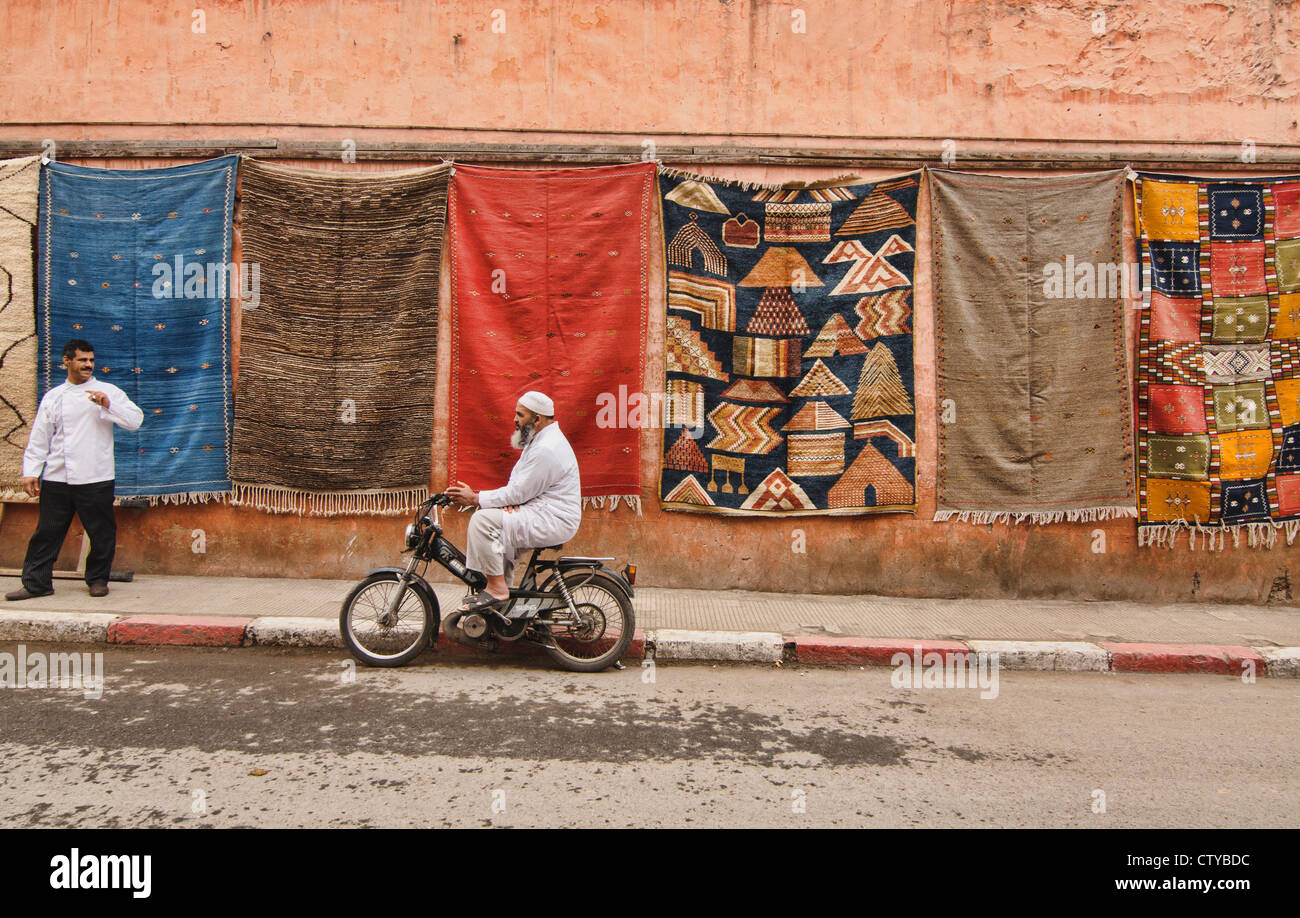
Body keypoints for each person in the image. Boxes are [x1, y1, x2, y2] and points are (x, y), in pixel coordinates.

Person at [5, 339, 143, 600]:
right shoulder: (54, 397)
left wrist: (107, 404)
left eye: (91, 360)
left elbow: (135, 421)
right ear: (66, 361)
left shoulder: (107, 391)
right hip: (57, 477)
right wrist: (31, 471)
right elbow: (40, 437)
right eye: (82, 360)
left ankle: (98, 580)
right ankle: (37, 583)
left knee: (101, 532)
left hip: (95, 475)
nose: (88, 365)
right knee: (47, 532)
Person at [446, 390, 581, 611]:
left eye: (520, 415)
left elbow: (518, 492)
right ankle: (502, 604)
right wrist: (510, 502)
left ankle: (497, 588)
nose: (515, 420)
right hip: (541, 511)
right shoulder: (540, 441)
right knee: (499, 531)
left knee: (483, 522)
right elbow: (521, 488)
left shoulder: (546, 448)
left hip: (552, 519)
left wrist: (475, 498)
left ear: (536, 419)